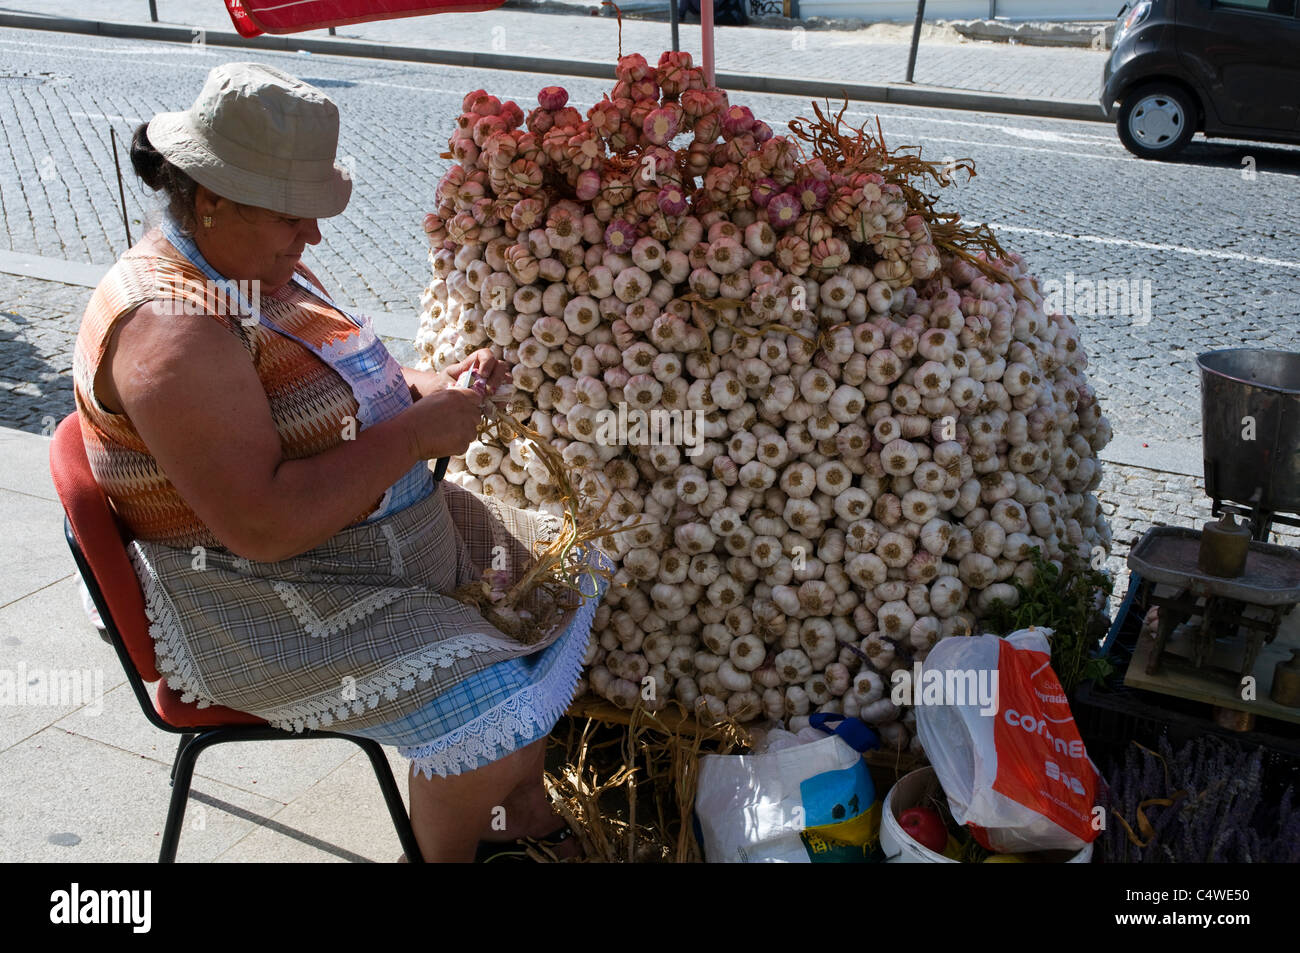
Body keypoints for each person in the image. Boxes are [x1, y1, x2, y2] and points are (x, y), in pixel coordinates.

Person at [72, 62, 603, 862]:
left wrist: (430, 388)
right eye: (294, 215)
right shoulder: (173, 331)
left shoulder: (249, 264)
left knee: (566, 580)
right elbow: (264, 523)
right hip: (268, 597)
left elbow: (344, 379)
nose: (313, 235)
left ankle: (520, 828)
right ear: (210, 200)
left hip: (365, 547)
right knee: (491, 712)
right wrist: (415, 436)